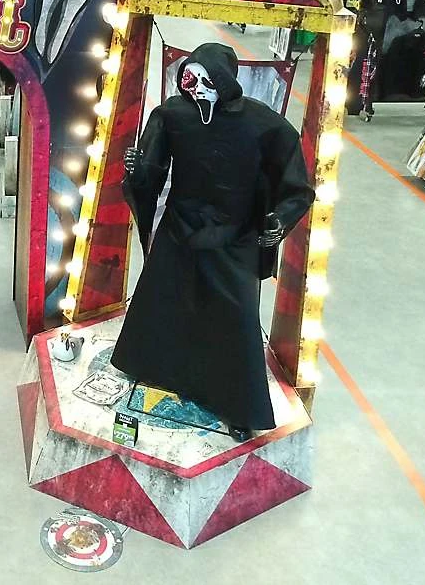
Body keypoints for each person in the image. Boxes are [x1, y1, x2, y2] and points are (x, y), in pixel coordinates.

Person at [112, 42, 315, 441]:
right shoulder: (172, 116)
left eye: (207, 80)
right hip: (181, 228)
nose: (199, 88)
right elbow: (151, 172)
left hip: (235, 236)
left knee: (235, 319)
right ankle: (156, 368)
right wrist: (138, 174)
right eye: (192, 79)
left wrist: (279, 219)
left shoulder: (264, 125)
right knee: (164, 300)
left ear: (224, 81)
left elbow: (296, 185)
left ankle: (238, 403)